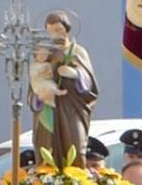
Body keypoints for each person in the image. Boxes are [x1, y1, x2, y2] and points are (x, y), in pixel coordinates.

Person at [29, 10, 98, 169]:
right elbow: (34, 84)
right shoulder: (44, 53)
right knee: (46, 150)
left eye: (58, 30)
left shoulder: (77, 51)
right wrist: (38, 98)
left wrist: (76, 74)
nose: (55, 35)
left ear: (67, 29)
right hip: (48, 110)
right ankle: (47, 180)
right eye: (51, 31)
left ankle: (76, 177)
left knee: (75, 148)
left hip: (72, 108)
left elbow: (91, 84)